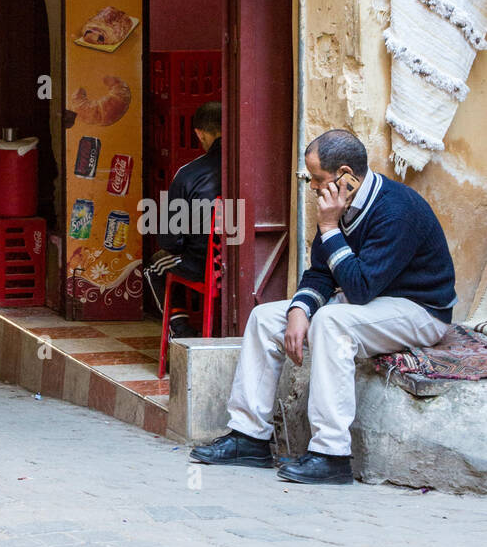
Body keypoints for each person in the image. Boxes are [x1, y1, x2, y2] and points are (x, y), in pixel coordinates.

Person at [191, 129, 456, 486]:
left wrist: (329, 227)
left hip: (419, 310)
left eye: (317, 179)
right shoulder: (341, 205)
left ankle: (331, 455)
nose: (313, 187)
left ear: (346, 176)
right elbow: (321, 272)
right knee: (265, 316)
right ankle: (248, 437)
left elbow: (360, 288)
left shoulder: (397, 210)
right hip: (372, 301)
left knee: (332, 321)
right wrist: (299, 310)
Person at [142, 101, 221, 338]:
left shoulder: (188, 173)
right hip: (239, 263)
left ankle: (181, 332)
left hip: (202, 263)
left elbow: (169, 239)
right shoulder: (245, 164)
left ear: (199, 133)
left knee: (154, 266)